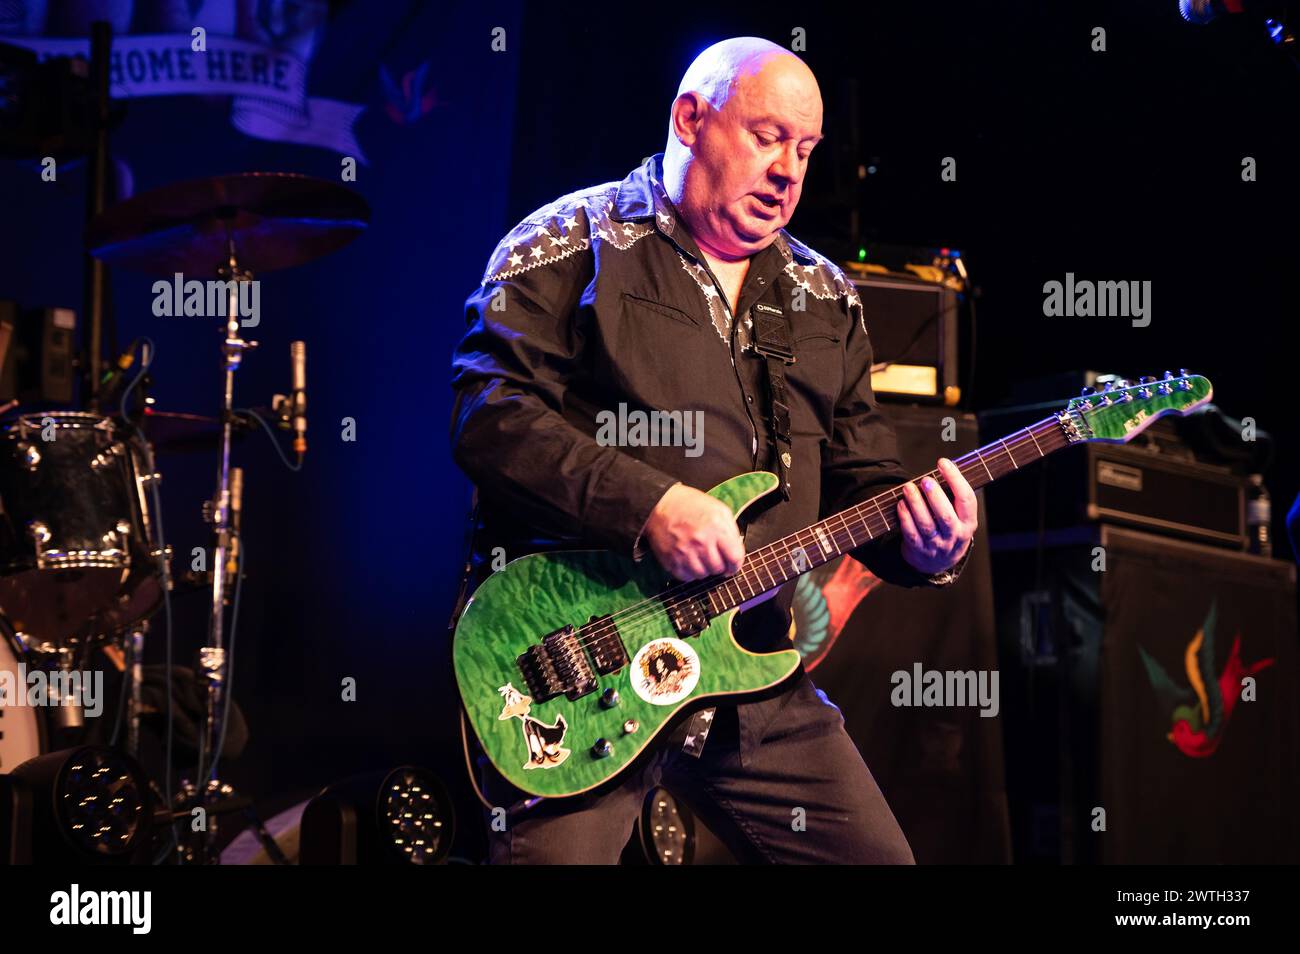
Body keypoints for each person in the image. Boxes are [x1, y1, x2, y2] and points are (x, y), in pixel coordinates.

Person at [451, 37, 977, 864]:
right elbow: (492, 418)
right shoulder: (567, 239)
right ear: (690, 118)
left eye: (805, 150)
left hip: (753, 678)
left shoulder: (823, 294)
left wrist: (923, 546)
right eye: (768, 137)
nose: (788, 171)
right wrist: (649, 505)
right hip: (584, 660)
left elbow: (863, 479)